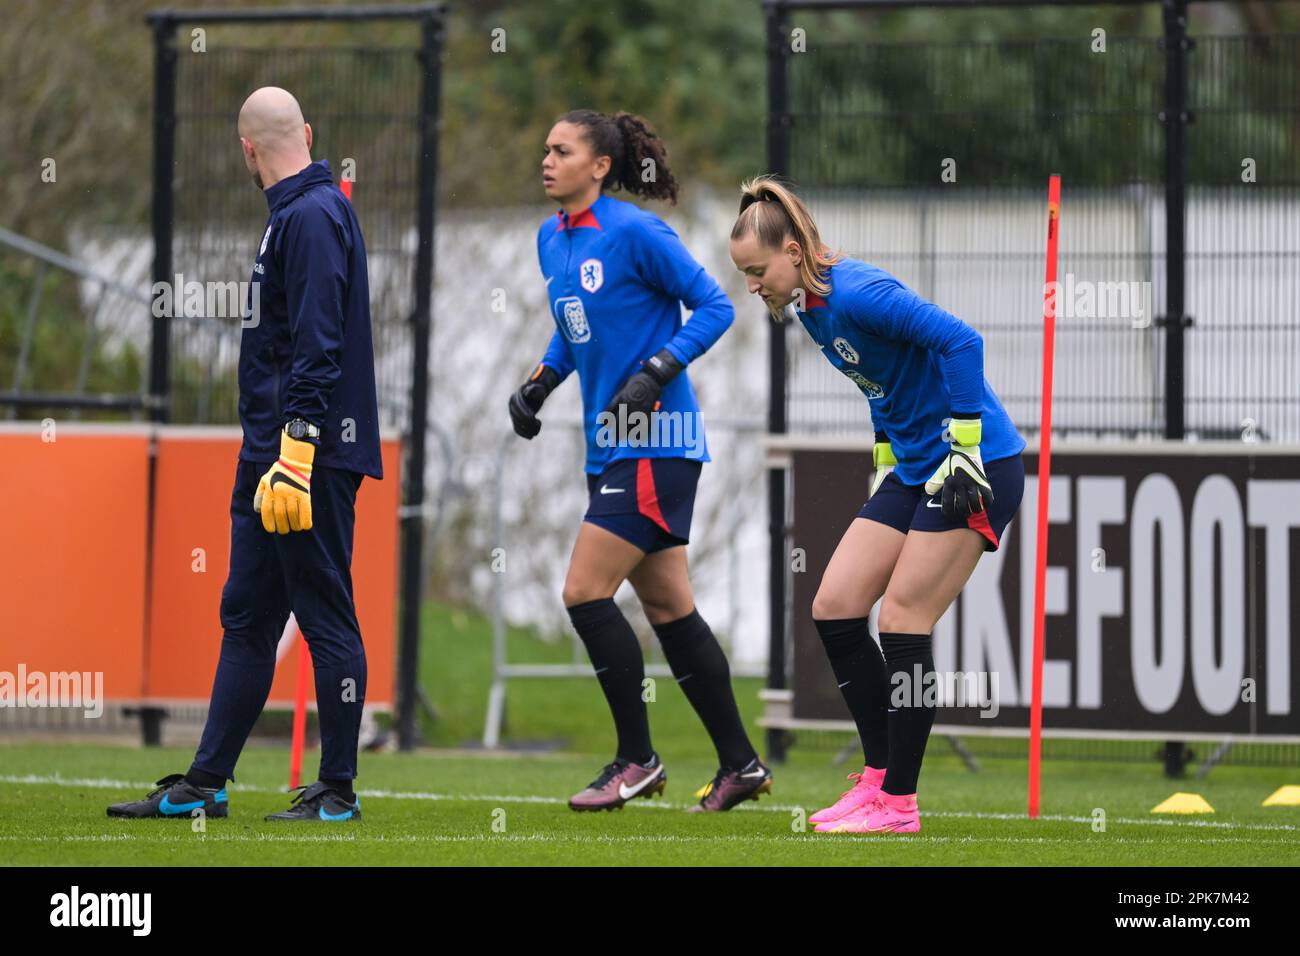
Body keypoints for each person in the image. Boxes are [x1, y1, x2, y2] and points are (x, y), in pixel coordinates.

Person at [108, 87, 381, 823]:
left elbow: (320, 342)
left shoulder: (314, 216)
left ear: (245, 149)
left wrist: (297, 446)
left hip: (306, 456)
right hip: (273, 453)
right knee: (248, 614)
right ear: (308, 133)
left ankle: (338, 790)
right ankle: (206, 782)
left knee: (325, 613)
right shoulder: (294, 215)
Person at [728, 177, 1025, 833]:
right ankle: (875, 779)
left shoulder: (860, 293)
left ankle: (899, 804)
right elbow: (881, 385)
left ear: (794, 253)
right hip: (914, 468)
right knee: (833, 607)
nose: (752, 287)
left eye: (756, 272)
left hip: (976, 463)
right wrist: (885, 463)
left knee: (903, 620)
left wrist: (966, 447)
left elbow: (962, 341)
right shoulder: (808, 308)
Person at [509, 110, 772, 812]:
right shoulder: (550, 238)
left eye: (562, 150)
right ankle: (742, 765)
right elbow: (575, 330)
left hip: (657, 443)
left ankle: (636, 759)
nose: (548, 159)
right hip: (609, 446)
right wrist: (540, 380)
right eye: (546, 149)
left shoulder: (637, 232)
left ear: (599, 166)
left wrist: (658, 369)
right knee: (667, 605)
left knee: (584, 593)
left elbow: (715, 306)